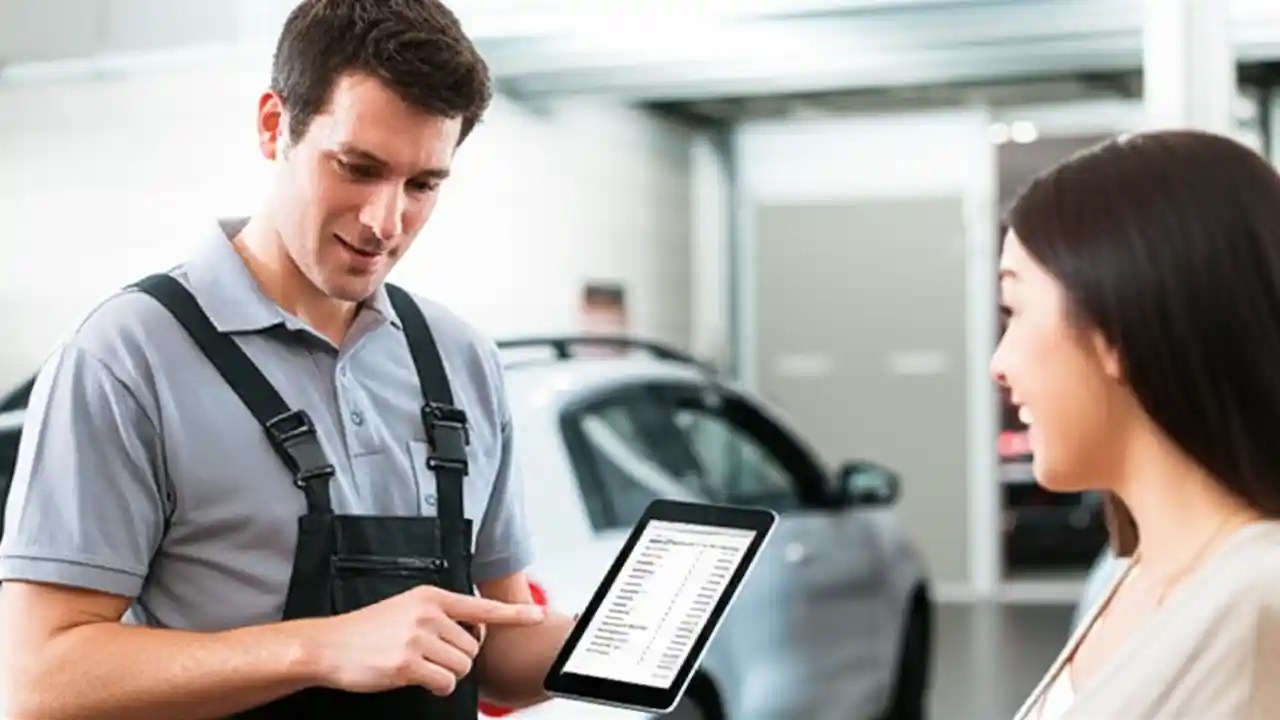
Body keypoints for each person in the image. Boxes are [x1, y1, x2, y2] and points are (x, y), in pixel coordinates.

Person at [0, 1, 577, 717]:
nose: (385, 222)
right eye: (357, 168)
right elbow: (39, 682)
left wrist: (627, 638)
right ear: (275, 126)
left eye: (423, 184)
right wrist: (322, 648)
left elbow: (494, 653)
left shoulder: (461, 359)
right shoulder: (127, 355)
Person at [993, 129, 1280, 719]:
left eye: (1015, 311)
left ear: (1114, 332)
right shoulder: (1128, 574)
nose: (999, 364)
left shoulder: (1257, 607)